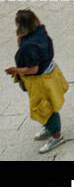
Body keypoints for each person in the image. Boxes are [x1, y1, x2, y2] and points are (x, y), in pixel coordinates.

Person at [6, 10, 68, 154]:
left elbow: (33, 69)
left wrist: (15, 70)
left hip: (40, 81)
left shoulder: (29, 46)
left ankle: (56, 136)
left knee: (46, 107)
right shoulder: (40, 30)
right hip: (50, 73)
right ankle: (49, 128)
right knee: (45, 106)